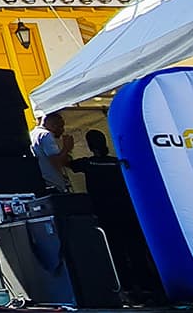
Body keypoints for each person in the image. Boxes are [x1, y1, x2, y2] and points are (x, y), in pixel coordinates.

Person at [69, 129, 161, 302]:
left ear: (90, 146)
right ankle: (147, 285)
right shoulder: (117, 163)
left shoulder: (88, 163)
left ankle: (126, 288)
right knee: (136, 250)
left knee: (116, 252)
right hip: (127, 211)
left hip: (105, 214)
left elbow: (67, 164)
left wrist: (66, 148)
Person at [30, 111, 74, 194]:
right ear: (53, 124)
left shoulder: (32, 134)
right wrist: (67, 147)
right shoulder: (46, 135)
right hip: (53, 185)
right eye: (61, 126)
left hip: (42, 183)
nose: (63, 130)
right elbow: (56, 162)